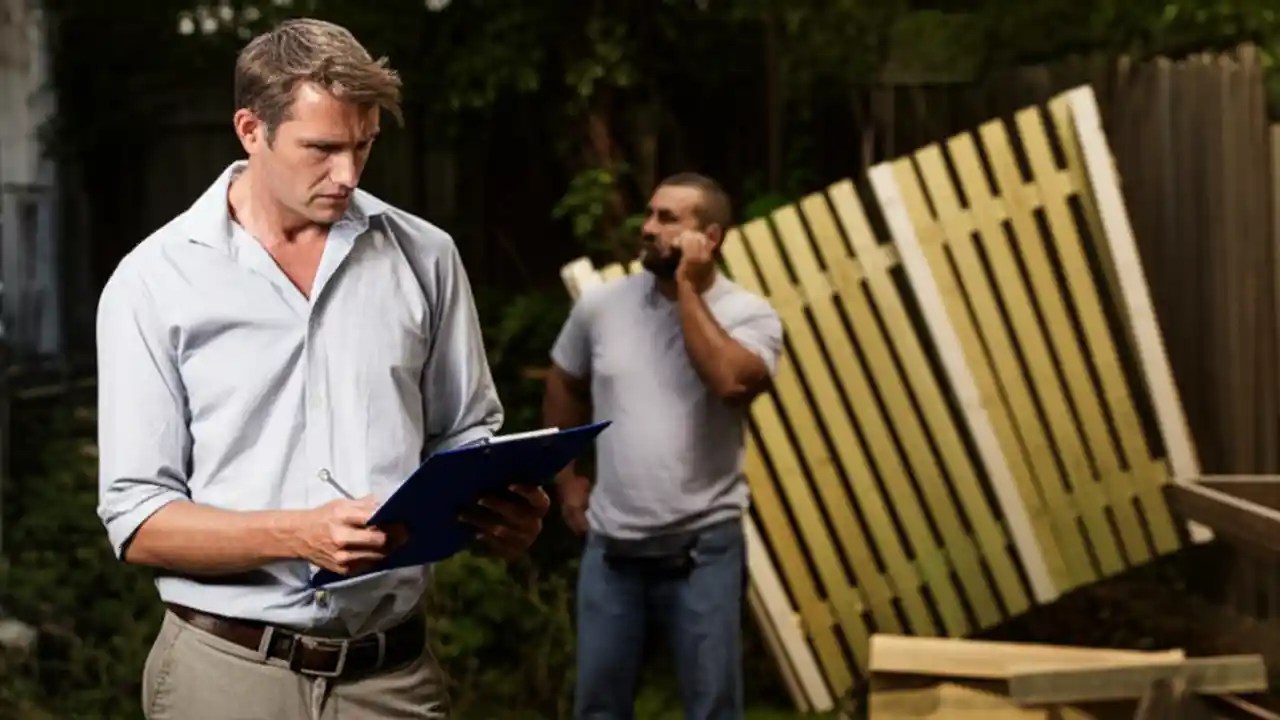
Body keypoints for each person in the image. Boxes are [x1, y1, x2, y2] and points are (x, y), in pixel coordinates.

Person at [95, 18, 548, 720]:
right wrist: (294, 534)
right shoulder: (153, 281)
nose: (349, 174)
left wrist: (498, 517)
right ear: (251, 129)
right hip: (225, 676)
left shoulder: (425, 257)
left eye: (364, 146)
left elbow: (464, 439)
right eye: (323, 149)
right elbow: (139, 521)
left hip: (392, 677)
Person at [543, 173, 784, 719]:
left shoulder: (750, 316)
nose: (648, 229)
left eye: (668, 219)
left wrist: (689, 290)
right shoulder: (601, 308)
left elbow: (729, 381)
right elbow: (564, 381)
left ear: (712, 237)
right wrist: (568, 476)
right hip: (611, 553)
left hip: (703, 553)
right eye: (649, 215)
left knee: (712, 710)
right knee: (598, 710)